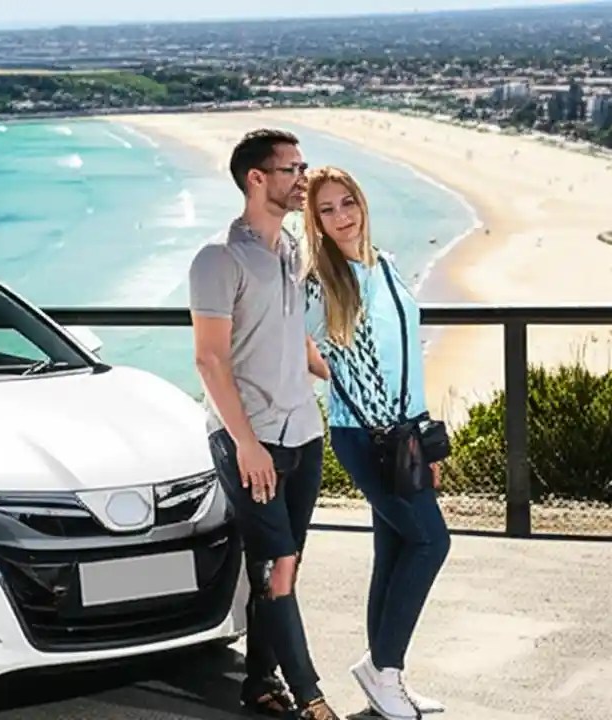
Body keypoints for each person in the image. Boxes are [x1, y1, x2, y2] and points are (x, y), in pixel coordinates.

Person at [189, 128, 339, 720]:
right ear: (256, 179)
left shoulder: (291, 252)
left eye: (302, 168)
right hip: (250, 442)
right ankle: (311, 695)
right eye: (291, 169)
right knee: (277, 566)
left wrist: (345, 382)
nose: (303, 179)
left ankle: (260, 682)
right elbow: (209, 358)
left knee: (284, 564)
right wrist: (246, 444)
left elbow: (293, 339)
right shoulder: (218, 259)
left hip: (304, 432)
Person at [300, 166, 451, 720]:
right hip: (364, 437)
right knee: (432, 543)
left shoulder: (383, 265)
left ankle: (388, 678)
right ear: (313, 221)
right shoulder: (319, 280)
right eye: (326, 210)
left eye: (347, 204)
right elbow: (287, 342)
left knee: (393, 551)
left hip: (407, 434)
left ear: (362, 204)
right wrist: (340, 376)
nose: (341, 217)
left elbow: (405, 358)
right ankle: (381, 669)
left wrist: (426, 443)